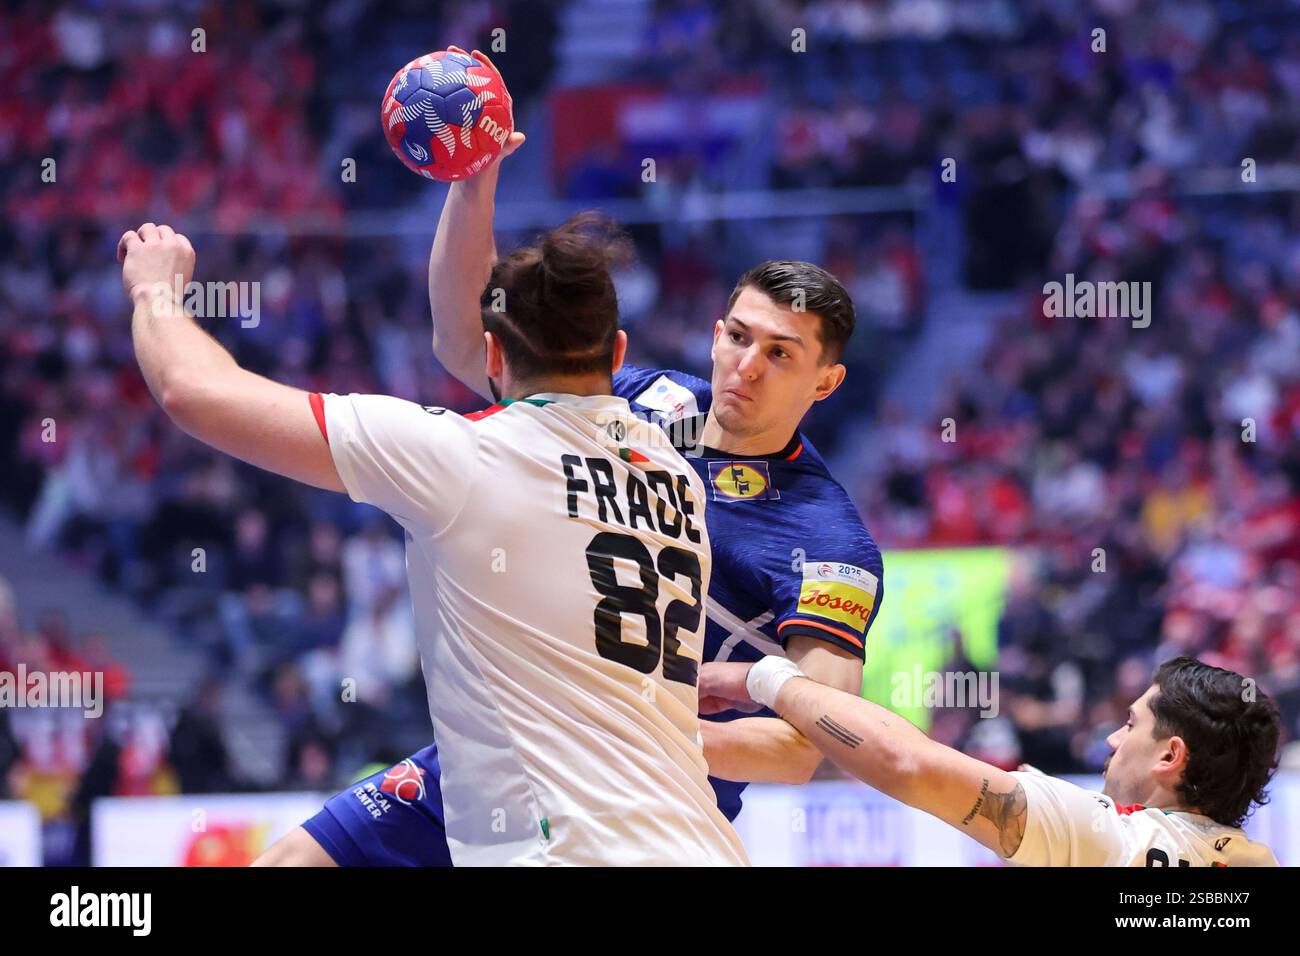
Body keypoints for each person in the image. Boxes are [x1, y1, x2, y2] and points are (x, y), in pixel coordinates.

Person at [262, 48, 885, 867]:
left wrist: (643, 728)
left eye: (782, 354)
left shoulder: (830, 543)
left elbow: (807, 746)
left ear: (827, 380)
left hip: (646, 804)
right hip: (502, 750)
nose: (747, 366)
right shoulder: (645, 403)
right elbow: (465, 342)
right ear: (713, 331)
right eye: (737, 338)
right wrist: (474, 181)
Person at [119, 216, 747, 866]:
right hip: (700, 841)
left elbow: (191, 391)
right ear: (618, 354)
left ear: (494, 357)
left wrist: (155, 293)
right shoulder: (675, 475)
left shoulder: (462, 457)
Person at [702, 654, 1280, 866]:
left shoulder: (1106, 839)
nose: (1111, 741)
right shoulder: (1258, 862)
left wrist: (768, 678)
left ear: (1170, 756)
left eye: (1131, 725)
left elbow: (908, 764)